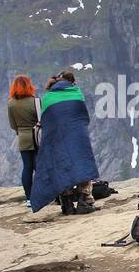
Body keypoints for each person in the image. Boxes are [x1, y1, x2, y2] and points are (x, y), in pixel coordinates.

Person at [29, 70, 99, 215]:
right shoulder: (76, 93)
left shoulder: (47, 97)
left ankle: (66, 203)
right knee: (82, 163)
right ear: (72, 82)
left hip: (55, 137)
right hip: (77, 135)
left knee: (60, 166)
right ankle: (84, 200)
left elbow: (45, 120)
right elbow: (82, 116)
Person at [7, 74, 39, 206]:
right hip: (37, 137)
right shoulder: (35, 101)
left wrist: (20, 131)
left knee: (27, 167)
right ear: (29, 86)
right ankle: (43, 194)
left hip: (22, 137)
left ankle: (29, 198)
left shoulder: (11, 104)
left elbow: (12, 125)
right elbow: (41, 120)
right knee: (39, 167)